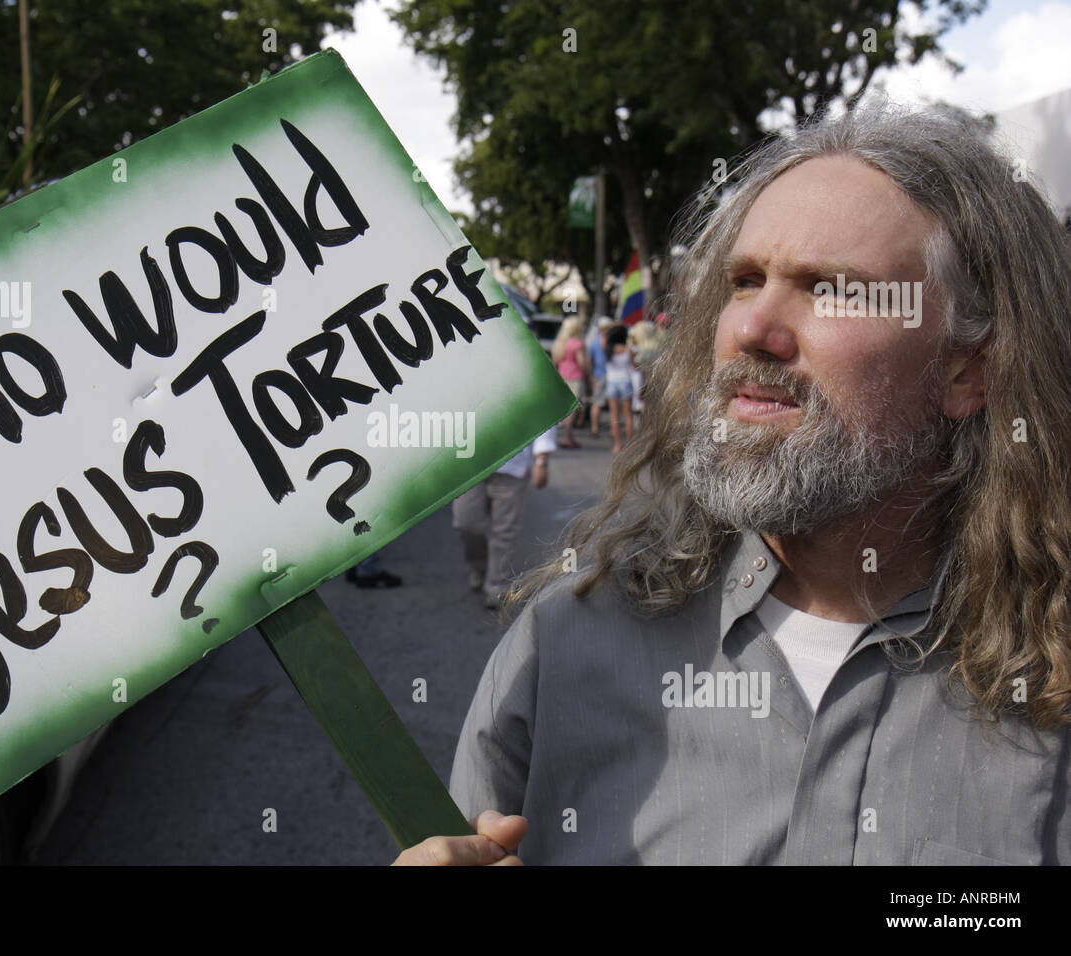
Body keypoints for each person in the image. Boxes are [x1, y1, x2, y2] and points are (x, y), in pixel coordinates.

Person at [394, 104, 1071, 865]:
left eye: (832, 289)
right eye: (745, 280)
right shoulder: (568, 641)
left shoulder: (1047, 682)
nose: (753, 329)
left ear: (966, 369)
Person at [452, 428, 555, 609]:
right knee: (466, 522)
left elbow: (543, 406)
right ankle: (479, 565)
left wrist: (542, 460)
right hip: (468, 463)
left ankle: (497, 586)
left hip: (512, 464)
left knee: (505, 531)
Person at [550, 316, 589, 448]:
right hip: (575, 377)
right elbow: (582, 362)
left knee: (566, 408)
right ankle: (568, 436)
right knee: (573, 409)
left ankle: (567, 436)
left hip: (562, 376)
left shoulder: (559, 343)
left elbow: (555, 361)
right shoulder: (577, 343)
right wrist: (589, 372)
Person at [603, 323, 635, 452]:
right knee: (628, 415)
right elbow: (634, 366)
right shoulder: (628, 349)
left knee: (614, 416)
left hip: (612, 382)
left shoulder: (607, 350)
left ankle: (617, 444)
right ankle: (630, 444)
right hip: (626, 381)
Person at [586, 317, 613, 437]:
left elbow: (589, 360)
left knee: (597, 403)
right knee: (613, 404)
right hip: (612, 374)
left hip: (599, 374)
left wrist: (590, 376)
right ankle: (612, 429)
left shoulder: (594, 342)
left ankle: (594, 428)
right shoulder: (611, 341)